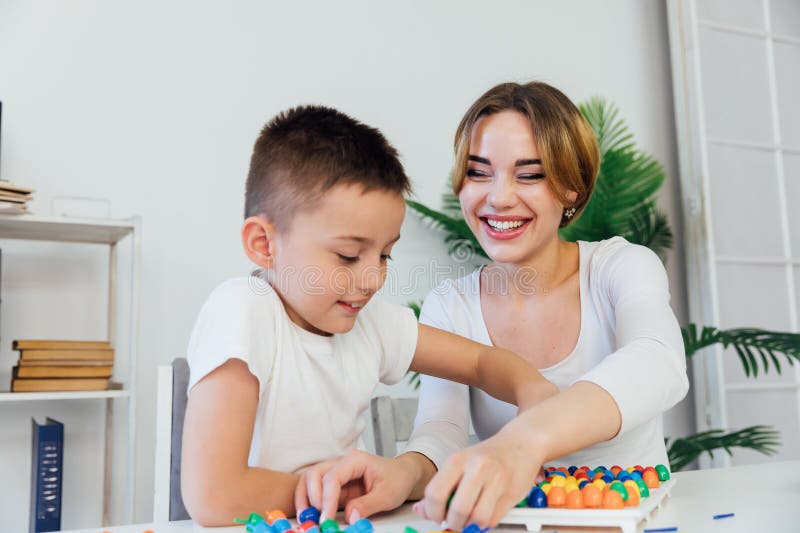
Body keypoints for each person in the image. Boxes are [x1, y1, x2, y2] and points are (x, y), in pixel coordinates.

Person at [296, 82, 690, 529]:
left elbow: (658, 361)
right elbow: (441, 430)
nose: (498, 197)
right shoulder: (451, 305)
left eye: (530, 174)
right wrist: (401, 474)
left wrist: (524, 441)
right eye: (479, 172)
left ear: (572, 190)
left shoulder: (619, 267)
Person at [180, 104, 556, 526]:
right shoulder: (242, 309)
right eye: (347, 255)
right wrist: (344, 491)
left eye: (384, 255)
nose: (372, 278)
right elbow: (213, 495)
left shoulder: (371, 323)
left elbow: (483, 362)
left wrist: (534, 392)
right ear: (264, 245)